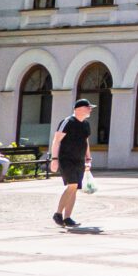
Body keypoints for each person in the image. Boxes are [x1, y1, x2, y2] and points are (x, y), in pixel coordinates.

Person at [49, 97, 94, 230]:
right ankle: (58, 214)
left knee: (75, 188)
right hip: (65, 158)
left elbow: (86, 142)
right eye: (88, 107)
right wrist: (54, 159)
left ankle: (67, 217)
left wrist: (88, 158)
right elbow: (56, 141)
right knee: (72, 184)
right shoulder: (67, 122)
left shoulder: (86, 124)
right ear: (79, 109)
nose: (90, 110)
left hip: (79, 159)